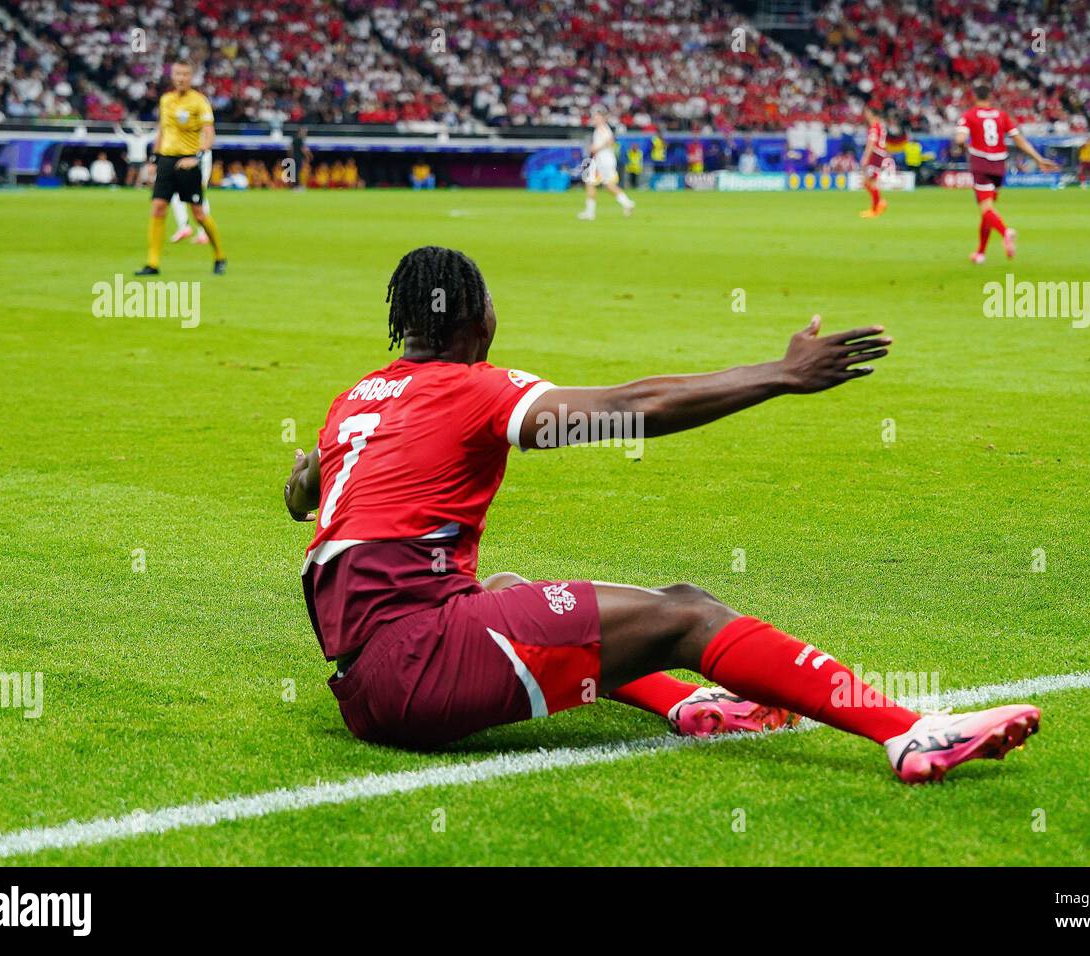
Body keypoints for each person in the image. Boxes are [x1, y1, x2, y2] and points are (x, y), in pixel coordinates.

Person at [282, 245, 1041, 783]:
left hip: (366, 684)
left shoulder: (354, 401)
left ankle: (690, 707)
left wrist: (300, 482)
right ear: (476, 319)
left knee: (503, 584)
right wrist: (777, 375)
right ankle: (908, 734)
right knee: (688, 612)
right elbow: (628, 410)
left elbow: (305, 493)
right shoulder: (476, 388)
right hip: (420, 668)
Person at [135, 60, 226, 276]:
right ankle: (153, 263)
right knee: (158, 207)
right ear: (172, 76)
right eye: (177, 74)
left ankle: (219, 255)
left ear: (191, 77)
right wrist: (153, 159)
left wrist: (198, 156)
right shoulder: (166, 100)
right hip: (166, 159)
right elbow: (162, 130)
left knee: (199, 214)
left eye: (185, 74)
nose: (181, 78)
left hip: (188, 160)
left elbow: (209, 132)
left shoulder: (199, 101)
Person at [954, 82, 1058, 264]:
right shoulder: (1002, 116)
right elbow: (1019, 140)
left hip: (981, 163)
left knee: (986, 209)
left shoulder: (969, 115)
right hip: (998, 166)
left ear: (974, 97)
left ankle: (1005, 232)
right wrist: (1039, 159)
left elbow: (960, 139)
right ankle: (980, 254)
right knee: (988, 210)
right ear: (990, 97)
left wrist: (965, 147)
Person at [578, 108, 635, 220]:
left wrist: (596, 148)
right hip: (603, 160)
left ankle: (590, 213)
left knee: (591, 182)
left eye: (597, 118)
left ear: (603, 119)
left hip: (604, 161)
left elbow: (610, 141)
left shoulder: (603, 129)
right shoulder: (600, 129)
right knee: (607, 185)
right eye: (594, 118)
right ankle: (627, 203)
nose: (595, 120)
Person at [858, 104, 888, 218]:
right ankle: (879, 203)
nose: (865, 114)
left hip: (875, 155)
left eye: (867, 112)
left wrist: (865, 157)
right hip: (879, 154)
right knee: (867, 182)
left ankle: (875, 209)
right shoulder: (880, 125)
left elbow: (871, 143)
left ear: (871, 113)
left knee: (870, 182)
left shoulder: (874, 127)